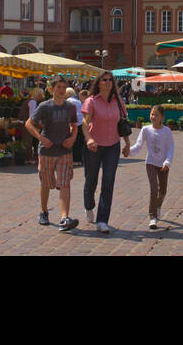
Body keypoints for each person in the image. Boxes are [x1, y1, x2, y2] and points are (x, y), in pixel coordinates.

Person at [25, 75, 80, 231]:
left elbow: (74, 125)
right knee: (46, 183)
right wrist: (41, 138)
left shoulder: (70, 107)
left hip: (64, 150)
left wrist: (73, 137)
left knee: (65, 182)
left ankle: (64, 217)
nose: (62, 90)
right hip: (47, 151)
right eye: (59, 87)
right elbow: (29, 124)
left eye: (64, 87)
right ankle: (44, 211)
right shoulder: (44, 106)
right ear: (51, 89)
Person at [81, 72, 130, 233]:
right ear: (99, 83)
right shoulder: (91, 101)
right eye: (104, 80)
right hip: (94, 146)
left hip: (112, 146)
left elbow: (122, 123)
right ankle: (89, 206)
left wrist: (127, 143)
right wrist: (89, 139)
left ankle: (102, 220)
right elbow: (84, 124)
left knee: (108, 183)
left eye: (110, 80)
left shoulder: (118, 102)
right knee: (91, 180)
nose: (108, 82)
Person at [130, 105, 175, 229]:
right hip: (150, 163)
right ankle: (152, 217)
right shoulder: (145, 129)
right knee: (154, 188)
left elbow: (171, 148)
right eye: (152, 114)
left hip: (163, 165)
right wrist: (128, 151)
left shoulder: (166, 131)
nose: (153, 117)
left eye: (156, 115)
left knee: (163, 191)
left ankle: (158, 205)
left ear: (162, 117)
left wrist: (167, 162)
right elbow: (138, 145)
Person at [65, 86, 86, 165]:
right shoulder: (77, 100)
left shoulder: (69, 101)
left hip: (75, 123)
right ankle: (80, 159)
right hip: (81, 122)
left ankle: (75, 160)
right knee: (80, 142)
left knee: (74, 142)